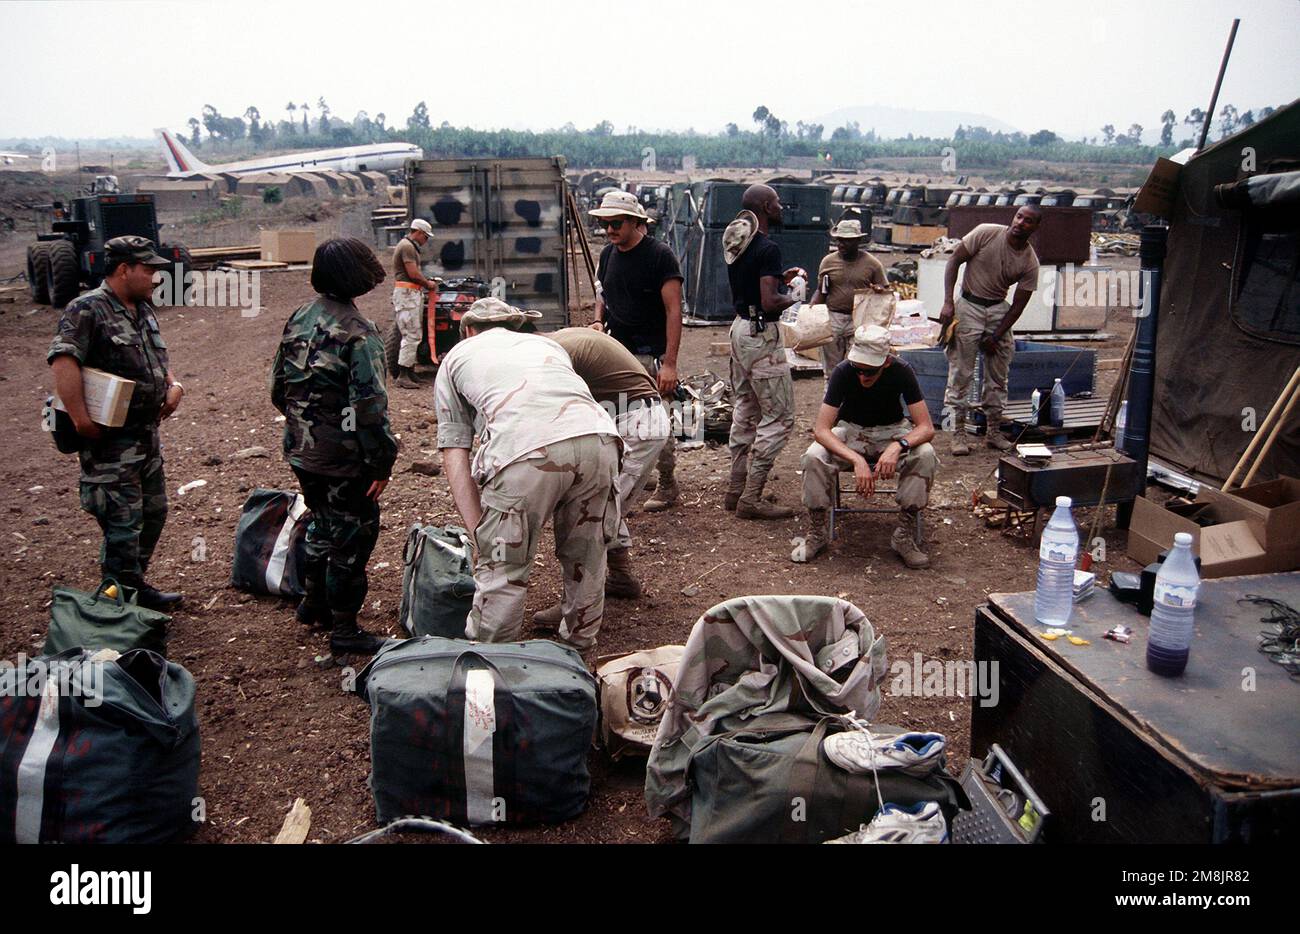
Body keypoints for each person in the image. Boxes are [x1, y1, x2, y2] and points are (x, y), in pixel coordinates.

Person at [434, 298, 620, 664]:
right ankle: (576, 658)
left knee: (503, 567)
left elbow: (455, 451)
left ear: (468, 330)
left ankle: (491, 665)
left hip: (524, 452)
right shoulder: (546, 345)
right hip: (599, 438)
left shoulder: (458, 356)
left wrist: (480, 533)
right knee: (588, 555)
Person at [271, 238, 398, 655]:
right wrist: (381, 463)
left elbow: (278, 388)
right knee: (352, 538)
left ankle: (313, 603)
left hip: (302, 449)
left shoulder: (300, 316)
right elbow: (370, 409)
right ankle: (344, 628)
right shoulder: (360, 333)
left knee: (320, 523)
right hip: (344, 459)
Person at [48, 236, 185, 610]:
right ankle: (116, 604)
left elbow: (155, 356)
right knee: (122, 524)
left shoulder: (141, 308)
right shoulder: (87, 309)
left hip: (145, 435)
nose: (157, 277)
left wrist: (173, 385)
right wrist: (80, 419)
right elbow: (64, 362)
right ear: (124, 270)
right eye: (149, 269)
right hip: (110, 440)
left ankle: (130, 587)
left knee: (154, 512)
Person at [532, 328, 671, 625]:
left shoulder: (552, 354)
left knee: (589, 515)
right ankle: (620, 578)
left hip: (636, 424)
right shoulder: (562, 340)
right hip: (636, 418)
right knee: (607, 503)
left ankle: (577, 609)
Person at [794, 325, 938, 569]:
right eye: (858, 369)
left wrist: (897, 446)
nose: (862, 377)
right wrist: (857, 460)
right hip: (851, 431)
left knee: (925, 454)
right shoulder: (842, 372)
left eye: (870, 371)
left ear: (886, 363)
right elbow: (821, 429)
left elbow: (926, 427)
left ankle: (904, 533)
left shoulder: (902, 370)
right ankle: (817, 531)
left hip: (892, 430)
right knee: (813, 455)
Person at [589, 189, 684, 512]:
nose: (610, 230)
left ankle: (668, 482)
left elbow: (674, 310)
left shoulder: (660, 256)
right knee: (613, 415)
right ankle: (621, 477)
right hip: (616, 350)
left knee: (657, 421)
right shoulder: (607, 255)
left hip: (649, 354)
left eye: (616, 223)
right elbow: (602, 292)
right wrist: (598, 321)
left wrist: (669, 364)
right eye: (605, 225)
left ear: (634, 222)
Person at [939, 205, 1043, 455]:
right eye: (1019, 216)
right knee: (961, 373)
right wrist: (948, 301)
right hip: (969, 304)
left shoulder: (1030, 262)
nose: (1020, 223)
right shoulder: (986, 233)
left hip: (998, 309)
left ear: (1035, 227)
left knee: (998, 375)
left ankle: (993, 432)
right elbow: (954, 260)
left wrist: (996, 336)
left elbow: (1018, 305)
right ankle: (958, 433)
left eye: (1028, 221)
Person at [722, 183, 797, 519]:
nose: (781, 207)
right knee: (780, 417)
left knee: (746, 407)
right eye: (778, 203)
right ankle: (750, 499)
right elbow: (769, 301)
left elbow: (756, 287)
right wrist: (794, 295)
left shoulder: (739, 243)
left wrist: (780, 280)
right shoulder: (768, 248)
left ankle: (735, 489)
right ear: (767, 207)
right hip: (761, 333)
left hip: (739, 328)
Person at [807, 218, 889, 378]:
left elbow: (885, 291)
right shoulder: (828, 262)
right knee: (832, 370)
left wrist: (879, 290)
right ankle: (831, 398)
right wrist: (812, 310)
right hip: (833, 318)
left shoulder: (872, 264)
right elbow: (822, 290)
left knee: (857, 366)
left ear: (858, 241)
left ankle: (852, 400)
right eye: (839, 240)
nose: (841, 245)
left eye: (847, 241)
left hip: (859, 320)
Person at [390, 217, 440, 390]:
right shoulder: (407, 247)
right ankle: (403, 375)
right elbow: (413, 273)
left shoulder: (408, 246)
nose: (425, 241)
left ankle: (409, 372)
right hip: (407, 294)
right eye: (425, 237)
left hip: (410, 293)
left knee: (414, 333)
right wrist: (428, 284)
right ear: (418, 232)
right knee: (411, 334)